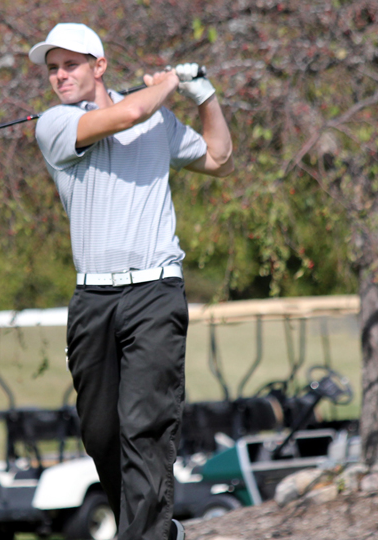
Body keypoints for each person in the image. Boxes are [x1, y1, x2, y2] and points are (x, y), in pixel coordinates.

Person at [29, 22, 233, 540]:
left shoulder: (157, 120)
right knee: (101, 434)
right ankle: (158, 531)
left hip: (154, 293)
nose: (59, 76)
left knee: (145, 425)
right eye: (52, 68)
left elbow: (217, 157)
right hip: (93, 299)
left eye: (70, 65)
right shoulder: (54, 124)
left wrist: (205, 96)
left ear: (98, 66)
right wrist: (167, 83)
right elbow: (130, 112)